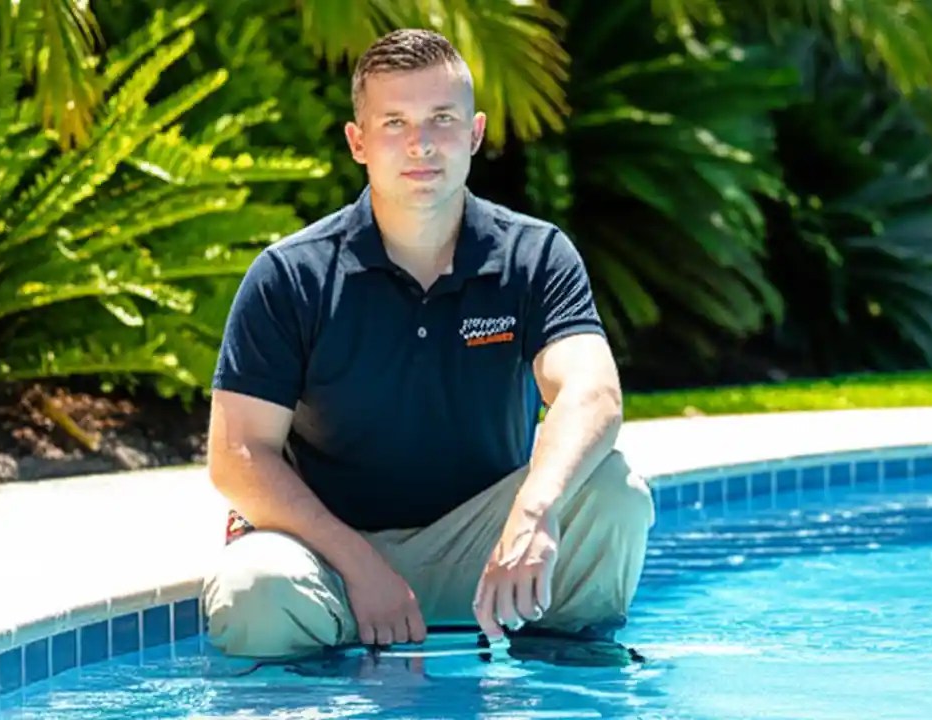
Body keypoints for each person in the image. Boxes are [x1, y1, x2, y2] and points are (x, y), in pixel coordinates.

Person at [200, 28, 655, 662]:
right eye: (395, 122)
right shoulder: (289, 276)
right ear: (358, 142)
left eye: (442, 119)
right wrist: (360, 566)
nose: (420, 144)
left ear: (474, 133)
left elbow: (592, 391)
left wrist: (534, 512)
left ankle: (566, 665)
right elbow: (238, 454)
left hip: (489, 545)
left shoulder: (535, 255)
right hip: (333, 552)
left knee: (614, 491)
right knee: (254, 592)